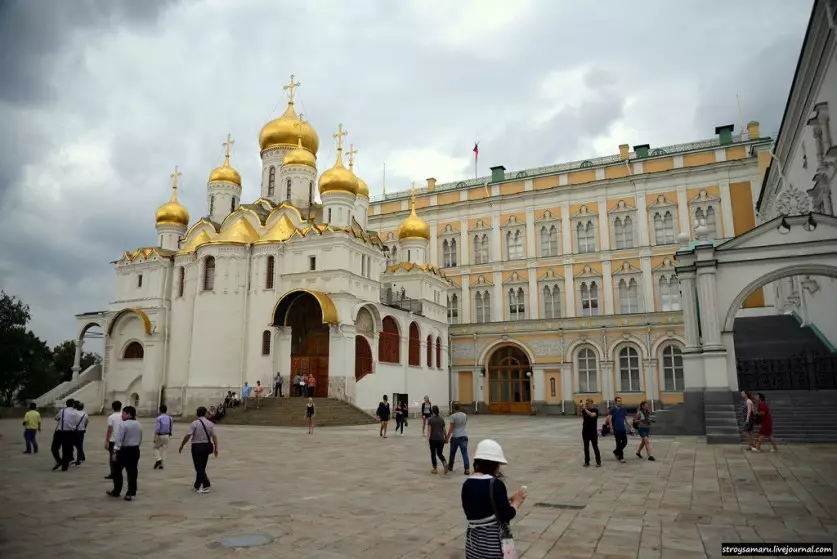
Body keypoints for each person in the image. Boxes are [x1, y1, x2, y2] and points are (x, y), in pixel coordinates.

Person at [461, 439, 527, 558]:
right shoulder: (495, 484)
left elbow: (481, 506)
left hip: (473, 543)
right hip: (490, 544)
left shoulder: (467, 483)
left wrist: (507, 500)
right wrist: (516, 503)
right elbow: (506, 515)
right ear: (494, 464)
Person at [179, 406, 219, 493]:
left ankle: (205, 484)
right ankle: (197, 485)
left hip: (196, 447)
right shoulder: (210, 424)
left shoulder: (194, 423)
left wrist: (182, 445)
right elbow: (214, 436)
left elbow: (188, 435)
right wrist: (216, 448)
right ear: (205, 413)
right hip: (206, 446)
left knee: (198, 467)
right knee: (202, 467)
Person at [107, 405, 141, 501]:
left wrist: (114, 451)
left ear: (128, 414)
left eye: (123, 413)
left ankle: (117, 490)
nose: (122, 415)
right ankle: (130, 492)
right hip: (135, 449)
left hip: (123, 450)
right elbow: (140, 438)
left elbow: (119, 439)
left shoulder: (123, 424)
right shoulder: (138, 424)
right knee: (132, 472)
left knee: (116, 471)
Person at [52, 398, 78, 471]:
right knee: (66, 450)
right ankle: (64, 466)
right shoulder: (76, 413)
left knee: (54, 448)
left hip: (60, 431)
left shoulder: (62, 411)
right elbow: (76, 422)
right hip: (69, 432)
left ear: (66, 404)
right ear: (73, 404)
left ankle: (59, 461)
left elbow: (56, 418)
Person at [447, 403, 470, 474]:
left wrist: (447, 437)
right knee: (465, 453)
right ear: (460, 408)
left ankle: (450, 467)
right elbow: (465, 422)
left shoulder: (453, 416)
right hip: (463, 435)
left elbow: (451, 427)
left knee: (452, 453)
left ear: (454, 408)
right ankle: (467, 469)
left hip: (455, 437)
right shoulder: (464, 415)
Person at [104, 400, 123, 480]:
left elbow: (110, 429)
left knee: (112, 457)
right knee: (121, 457)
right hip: (122, 440)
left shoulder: (111, 417)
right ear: (121, 407)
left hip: (113, 440)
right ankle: (119, 472)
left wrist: (107, 441)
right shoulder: (123, 416)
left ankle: (113, 472)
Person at [427, 405, 448, 474]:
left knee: (433, 454)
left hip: (433, 439)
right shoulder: (441, 419)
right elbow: (444, 429)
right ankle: (444, 462)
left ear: (432, 411)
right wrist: (446, 438)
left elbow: (429, 430)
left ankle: (435, 469)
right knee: (439, 453)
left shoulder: (430, 419)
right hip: (441, 439)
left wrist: (428, 440)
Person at [580, 398, 601, 467]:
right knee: (586, 447)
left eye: (587, 403)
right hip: (585, 431)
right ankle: (587, 461)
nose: (586, 404)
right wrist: (581, 406)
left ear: (592, 403)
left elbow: (592, 415)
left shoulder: (595, 410)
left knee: (595, 447)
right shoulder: (584, 410)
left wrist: (585, 409)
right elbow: (580, 412)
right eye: (586, 403)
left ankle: (598, 461)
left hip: (593, 431)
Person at [607, 397, 628, 463]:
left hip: (622, 428)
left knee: (625, 442)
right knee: (618, 442)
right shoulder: (612, 410)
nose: (620, 402)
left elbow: (625, 419)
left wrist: (631, 427)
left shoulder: (623, 409)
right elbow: (609, 419)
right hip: (616, 428)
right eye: (618, 401)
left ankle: (616, 451)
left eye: (620, 401)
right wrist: (611, 428)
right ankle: (621, 457)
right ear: (616, 402)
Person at [154, 404, 173, 470]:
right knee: (164, 449)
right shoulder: (170, 418)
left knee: (156, 448)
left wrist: (155, 436)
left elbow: (157, 428)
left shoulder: (159, 418)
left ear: (160, 410)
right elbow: (171, 427)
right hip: (167, 435)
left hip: (160, 435)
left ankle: (158, 459)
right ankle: (162, 464)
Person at [72, 401, 89, 466]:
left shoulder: (74, 413)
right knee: (80, 445)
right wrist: (84, 428)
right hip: (81, 431)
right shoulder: (85, 415)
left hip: (74, 430)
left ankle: (76, 458)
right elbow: (86, 423)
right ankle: (80, 458)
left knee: (73, 444)